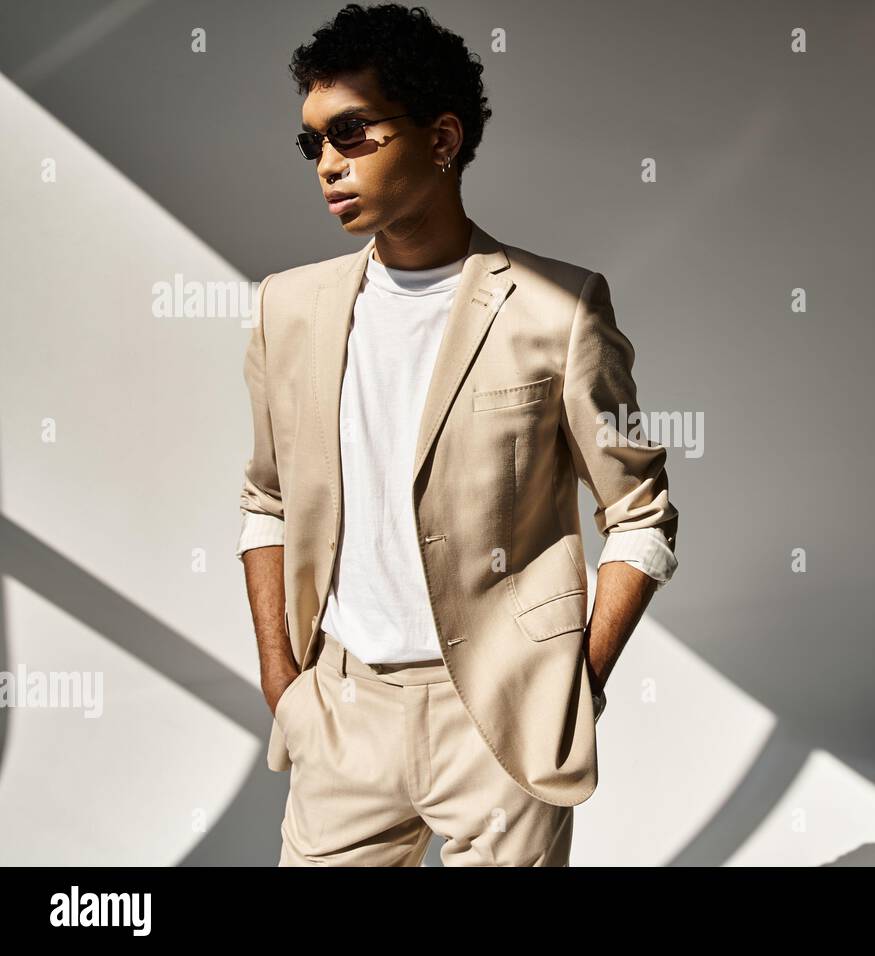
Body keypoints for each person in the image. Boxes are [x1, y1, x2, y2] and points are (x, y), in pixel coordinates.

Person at [237, 2, 680, 866]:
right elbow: (266, 502)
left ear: (442, 137)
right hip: (341, 713)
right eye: (313, 142)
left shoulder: (558, 306)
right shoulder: (285, 308)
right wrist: (282, 682)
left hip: (502, 723)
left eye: (353, 132)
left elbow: (641, 517)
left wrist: (569, 690)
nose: (327, 163)